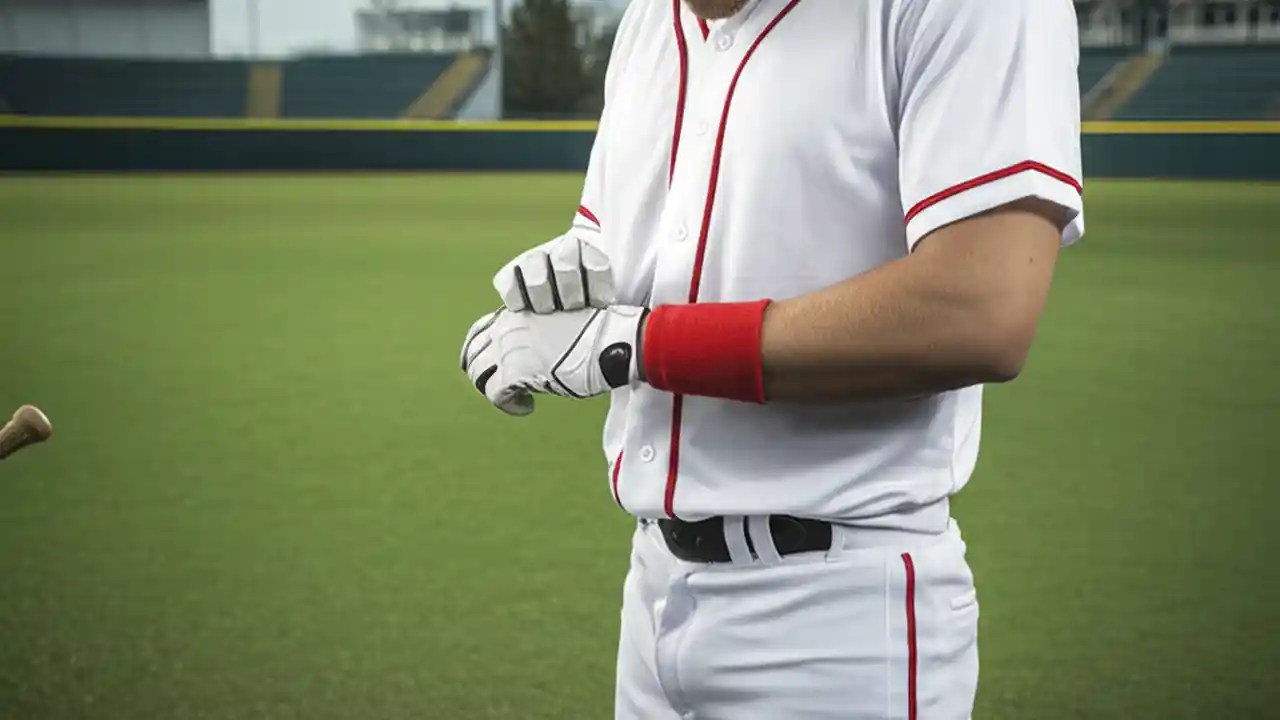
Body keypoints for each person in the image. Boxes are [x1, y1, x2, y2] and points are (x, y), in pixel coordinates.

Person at [460, 0, 1084, 716]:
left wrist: (636, 343)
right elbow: (639, 238)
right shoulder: (647, 21)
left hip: (838, 616)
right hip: (652, 592)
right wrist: (585, 272)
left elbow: (980, 310)